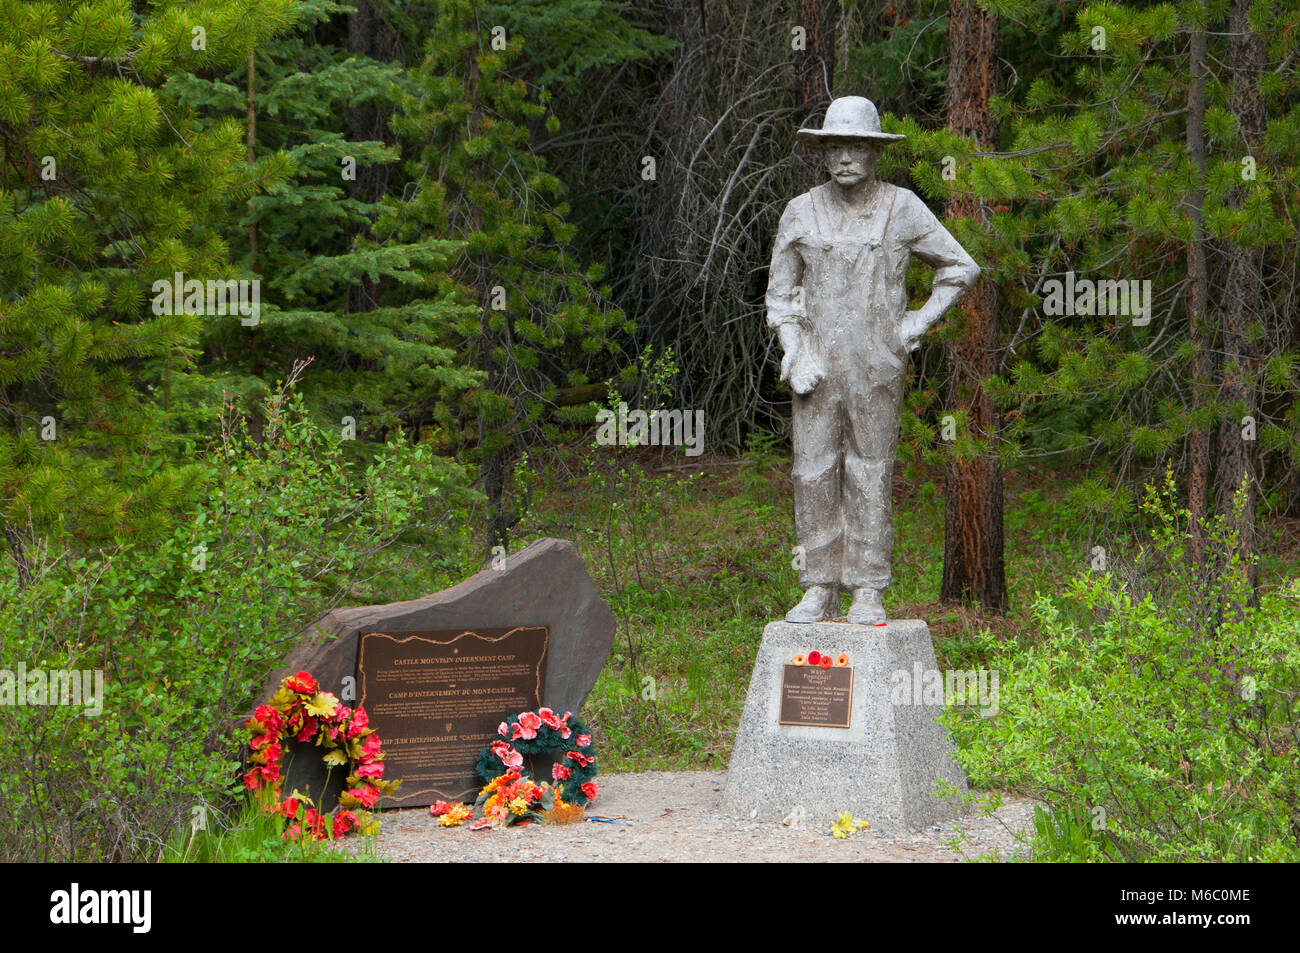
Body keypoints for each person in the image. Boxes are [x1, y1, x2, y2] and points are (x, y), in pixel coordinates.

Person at [766, 96, 980, 625]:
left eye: (856, 147)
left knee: (870, 473)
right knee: (812, 472)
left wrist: (915, 321)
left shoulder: (901, 207)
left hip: (877, 368)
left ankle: (867, 588)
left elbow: (959, 266)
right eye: (836, 147)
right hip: (815, 370)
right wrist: (794, 349)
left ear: (874, 152)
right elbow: (779, 295)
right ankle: (817, 586)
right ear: (823, 151)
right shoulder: (800, 210)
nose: (845, 158)